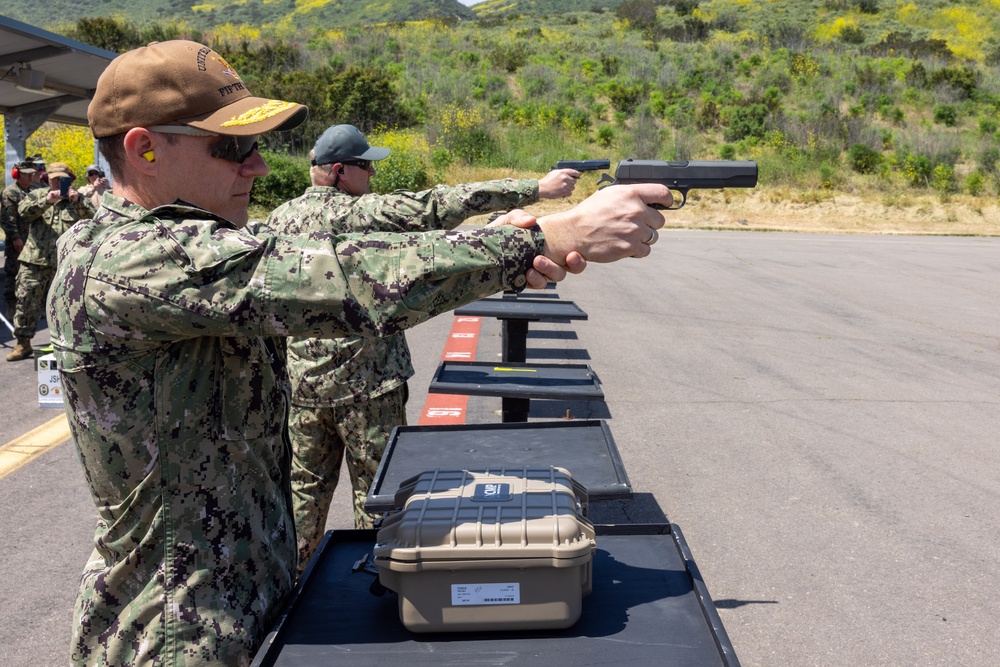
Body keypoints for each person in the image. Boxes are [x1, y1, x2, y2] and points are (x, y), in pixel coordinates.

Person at [47, 39, 669, 667]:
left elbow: (308, 262)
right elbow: (341, 280)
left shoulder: (182, 246)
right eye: (232, 148)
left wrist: (490, 243)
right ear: (144, 148)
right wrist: (552, 234)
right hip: (177, 635)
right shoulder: (123, 259)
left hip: (237, 602)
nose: (258, 167)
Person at [267, 124, 583, 568]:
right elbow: (442, 203)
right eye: (366, 167)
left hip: (303, 392)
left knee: (302, 493)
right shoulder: (362, 213)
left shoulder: (279, 219)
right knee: (380, 496)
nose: (372, 176)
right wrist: (534, 188)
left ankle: (291, 586)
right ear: (340, 171)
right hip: (368, 391)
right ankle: (375, 584)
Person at [6, 162, 94, 361]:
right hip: (35, 261)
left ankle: (71, 345)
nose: (58, 183)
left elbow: (95, 218)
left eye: (62, 179)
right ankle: (23, 343)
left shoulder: (78, 198)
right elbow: (23, 211)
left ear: (69, 179)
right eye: (54, 179)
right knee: (26, 301)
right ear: (47, 179)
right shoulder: (38, 195)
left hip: (67, 263)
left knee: (70, 305)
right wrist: (46, 201)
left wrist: (77, 200)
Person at [1, 161, 39, 320]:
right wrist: (15, 238)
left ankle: (30, 308)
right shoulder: (10, 192)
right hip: (18, 241)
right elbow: (7, 218)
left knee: (32, 275)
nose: (30, 176)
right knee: (13, 273)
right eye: (26, 174)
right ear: (17, 175)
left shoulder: (33, 191)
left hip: (33, 241)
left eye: (32, 173)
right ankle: (11, 306)